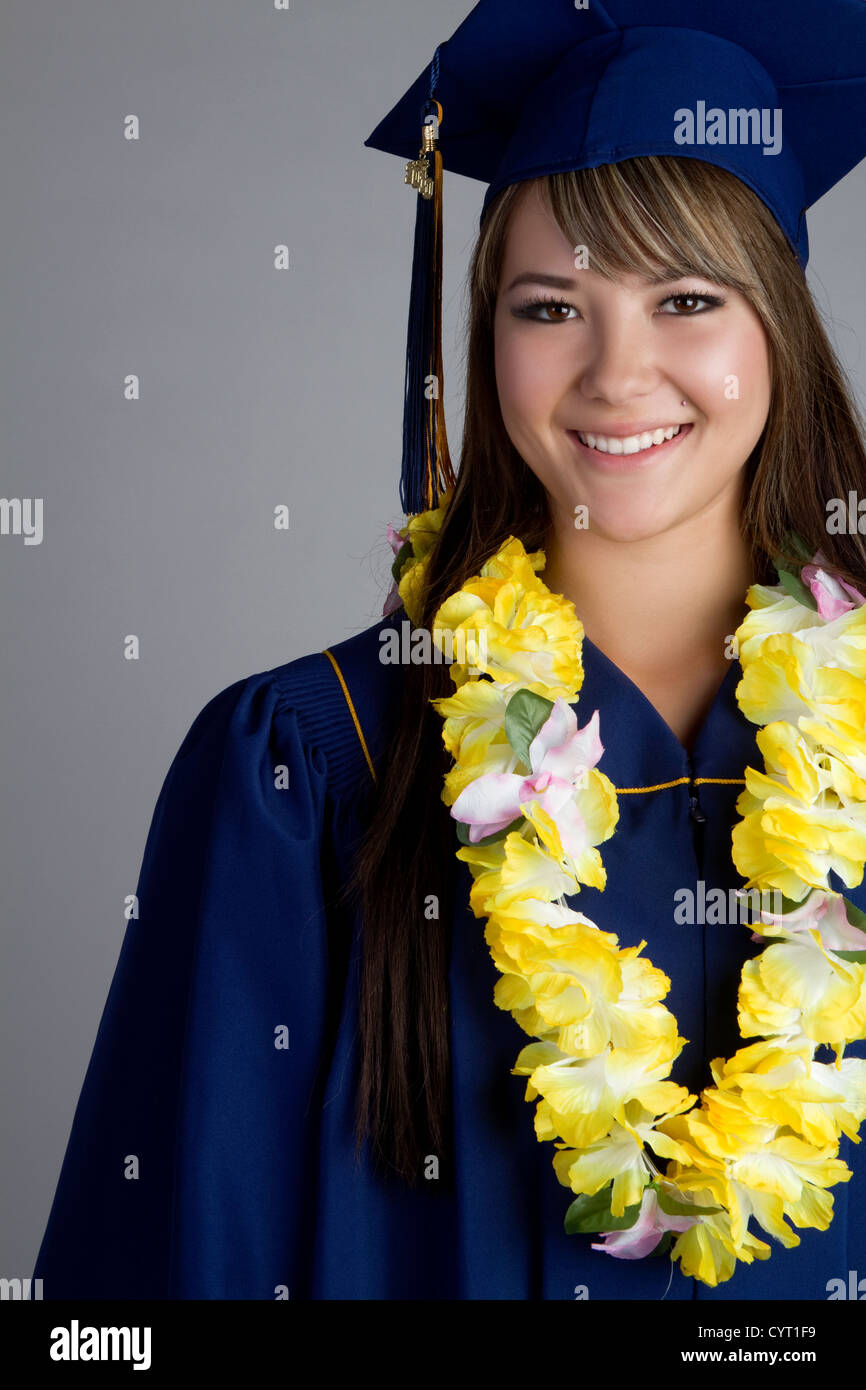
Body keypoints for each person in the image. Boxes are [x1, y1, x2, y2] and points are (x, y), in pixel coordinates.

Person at [33, 0, 866, 1300]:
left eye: (687, 298)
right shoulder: (310, 765)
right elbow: (177, 1260)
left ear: (779, 329)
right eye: (552, 307)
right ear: (484, 339)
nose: (617, 371)